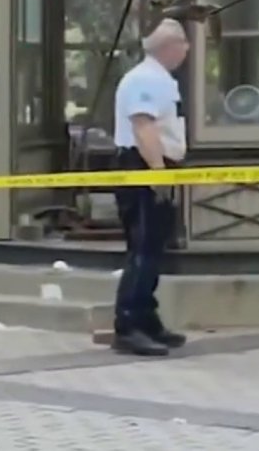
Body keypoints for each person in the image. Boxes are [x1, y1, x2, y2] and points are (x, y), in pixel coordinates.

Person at [110, 18, 190, 356]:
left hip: (154, 165)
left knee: (153, 247)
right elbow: (143, 126)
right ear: (169, 47)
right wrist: (157, 173)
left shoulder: (158, 78)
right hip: (144, 166)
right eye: (184, 44)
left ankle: (146, 317)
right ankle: (129, 324)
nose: (186, 51)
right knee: (143, 248)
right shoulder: (145, 79)